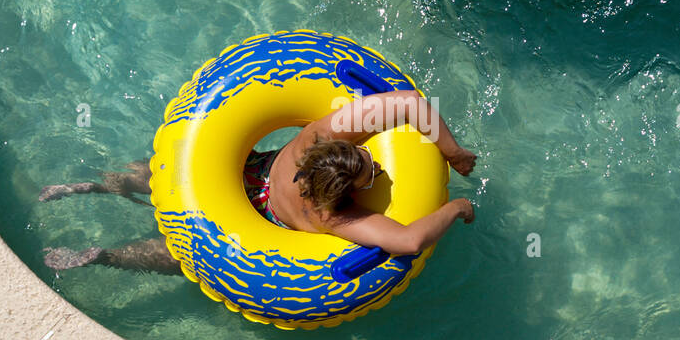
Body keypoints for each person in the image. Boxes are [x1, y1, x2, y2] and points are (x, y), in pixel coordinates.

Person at [41, 90, 476, 274]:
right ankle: (104, 257)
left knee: (174, 183)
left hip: (254, 173)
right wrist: (455, 206)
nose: (376, 163)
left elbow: (407, 104)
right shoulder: (332, 216)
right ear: (348, 194)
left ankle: (92, 186)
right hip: (262, 221)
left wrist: (452, 151)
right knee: (182, 256)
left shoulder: (316, 138)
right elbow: (410, 241)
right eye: (369, 165)